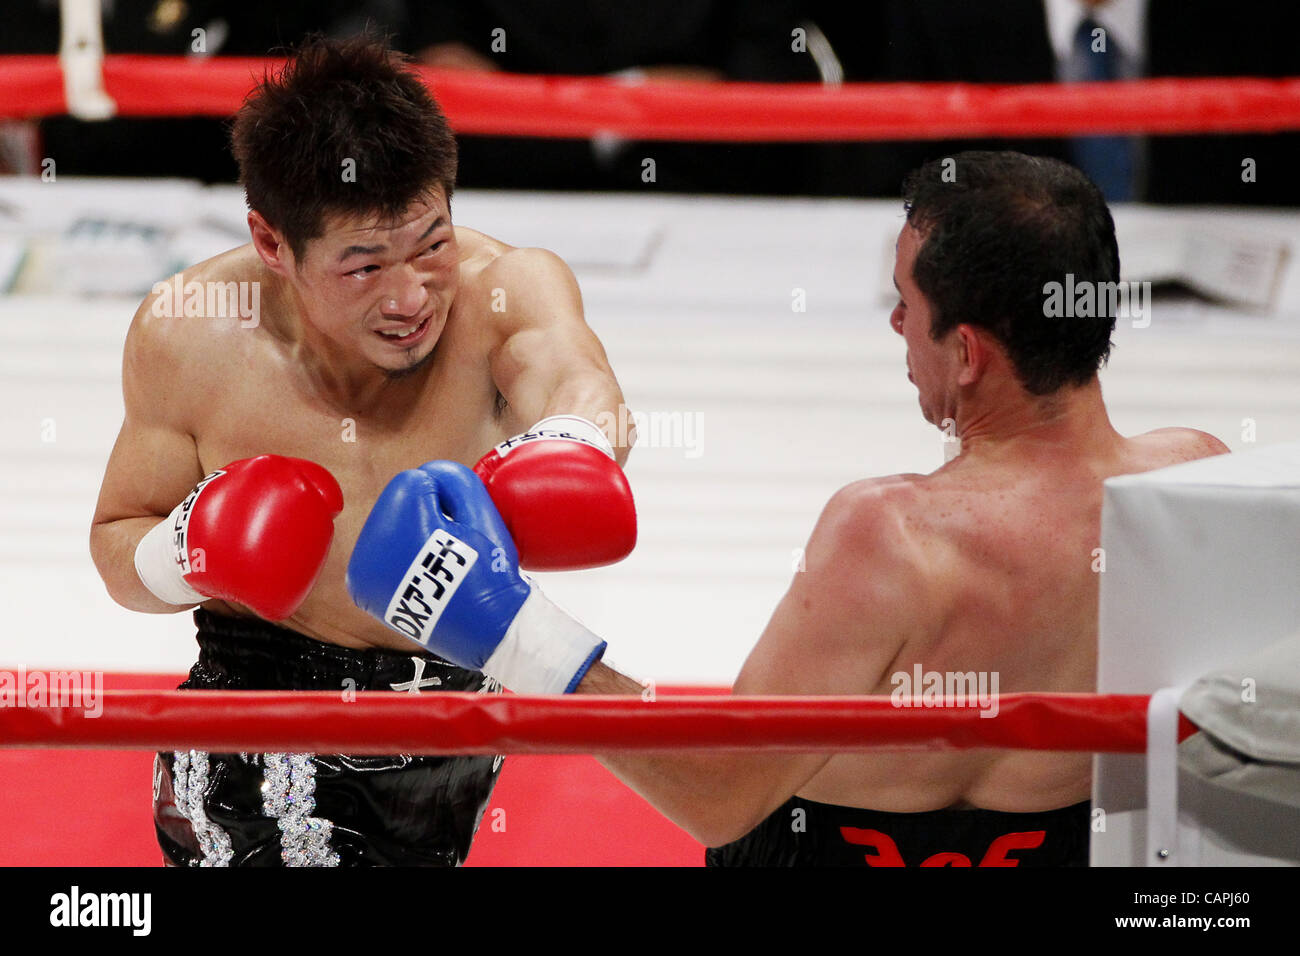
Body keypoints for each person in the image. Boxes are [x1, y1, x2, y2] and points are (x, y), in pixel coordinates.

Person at [348, 151, 1230, 866]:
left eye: (906, 304)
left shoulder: (893, 536)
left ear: (966, 352)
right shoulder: (1193, 488)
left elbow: (717, 799)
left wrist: (513, 634)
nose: (893, 326)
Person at [88, 34, 635, 867]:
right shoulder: (191, 332)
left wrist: (571, 445)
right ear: (274, 245)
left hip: (454, 709)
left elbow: (579, 383)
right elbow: (116, 546)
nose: (411, 297)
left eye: (431, 244)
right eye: (364, 265)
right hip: (261, 718)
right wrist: (187, 546)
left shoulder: (507, 290)